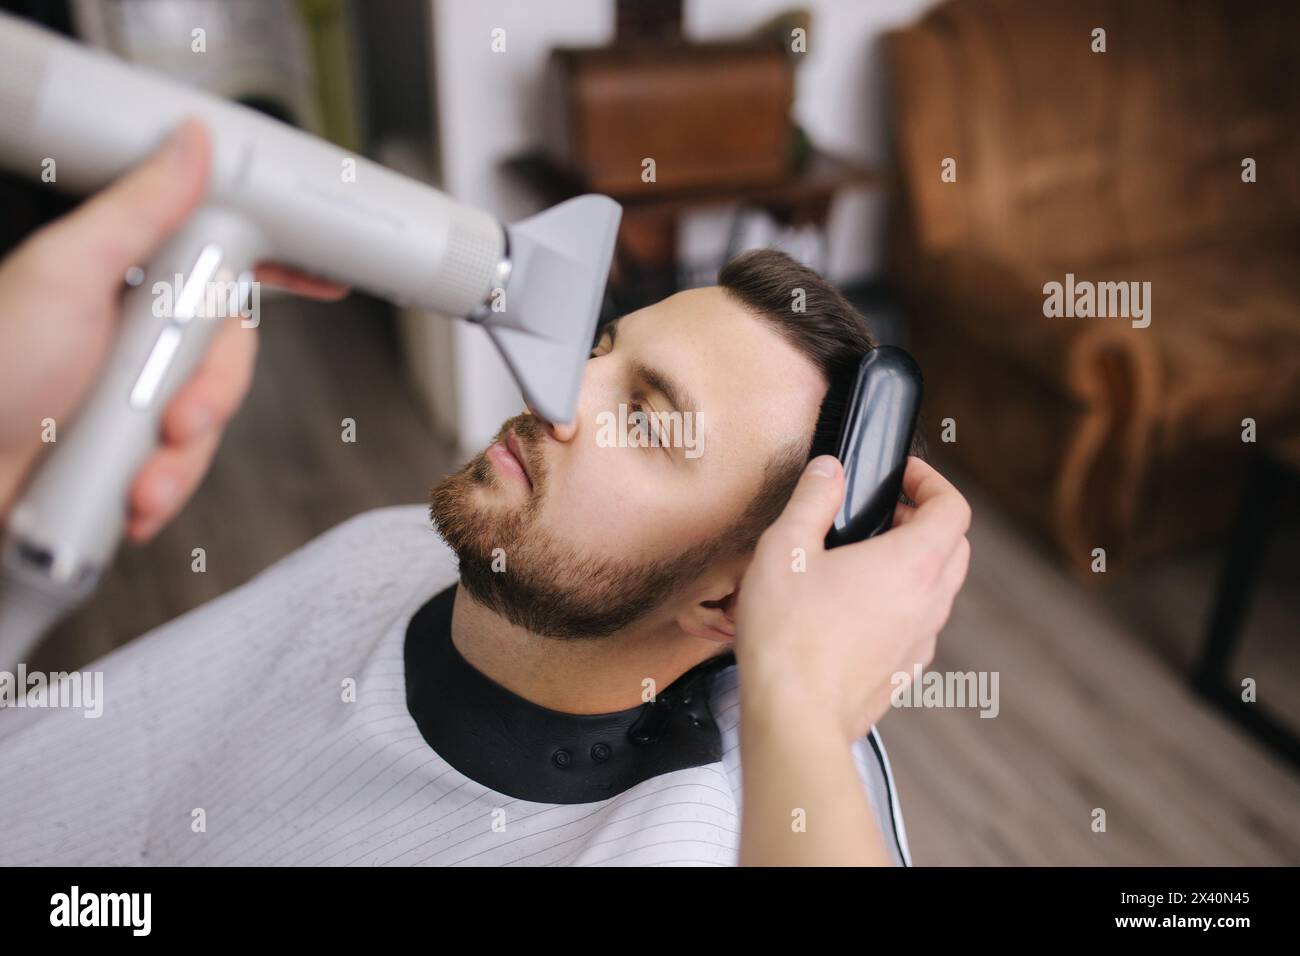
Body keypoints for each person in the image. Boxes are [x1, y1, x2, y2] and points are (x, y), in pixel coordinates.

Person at [0, 120, 970, 866]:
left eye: (644, 417)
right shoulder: (384, 548)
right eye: (602, 348)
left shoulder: (669, 843)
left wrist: (797, 697)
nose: (552, 392)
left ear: (731, 600)